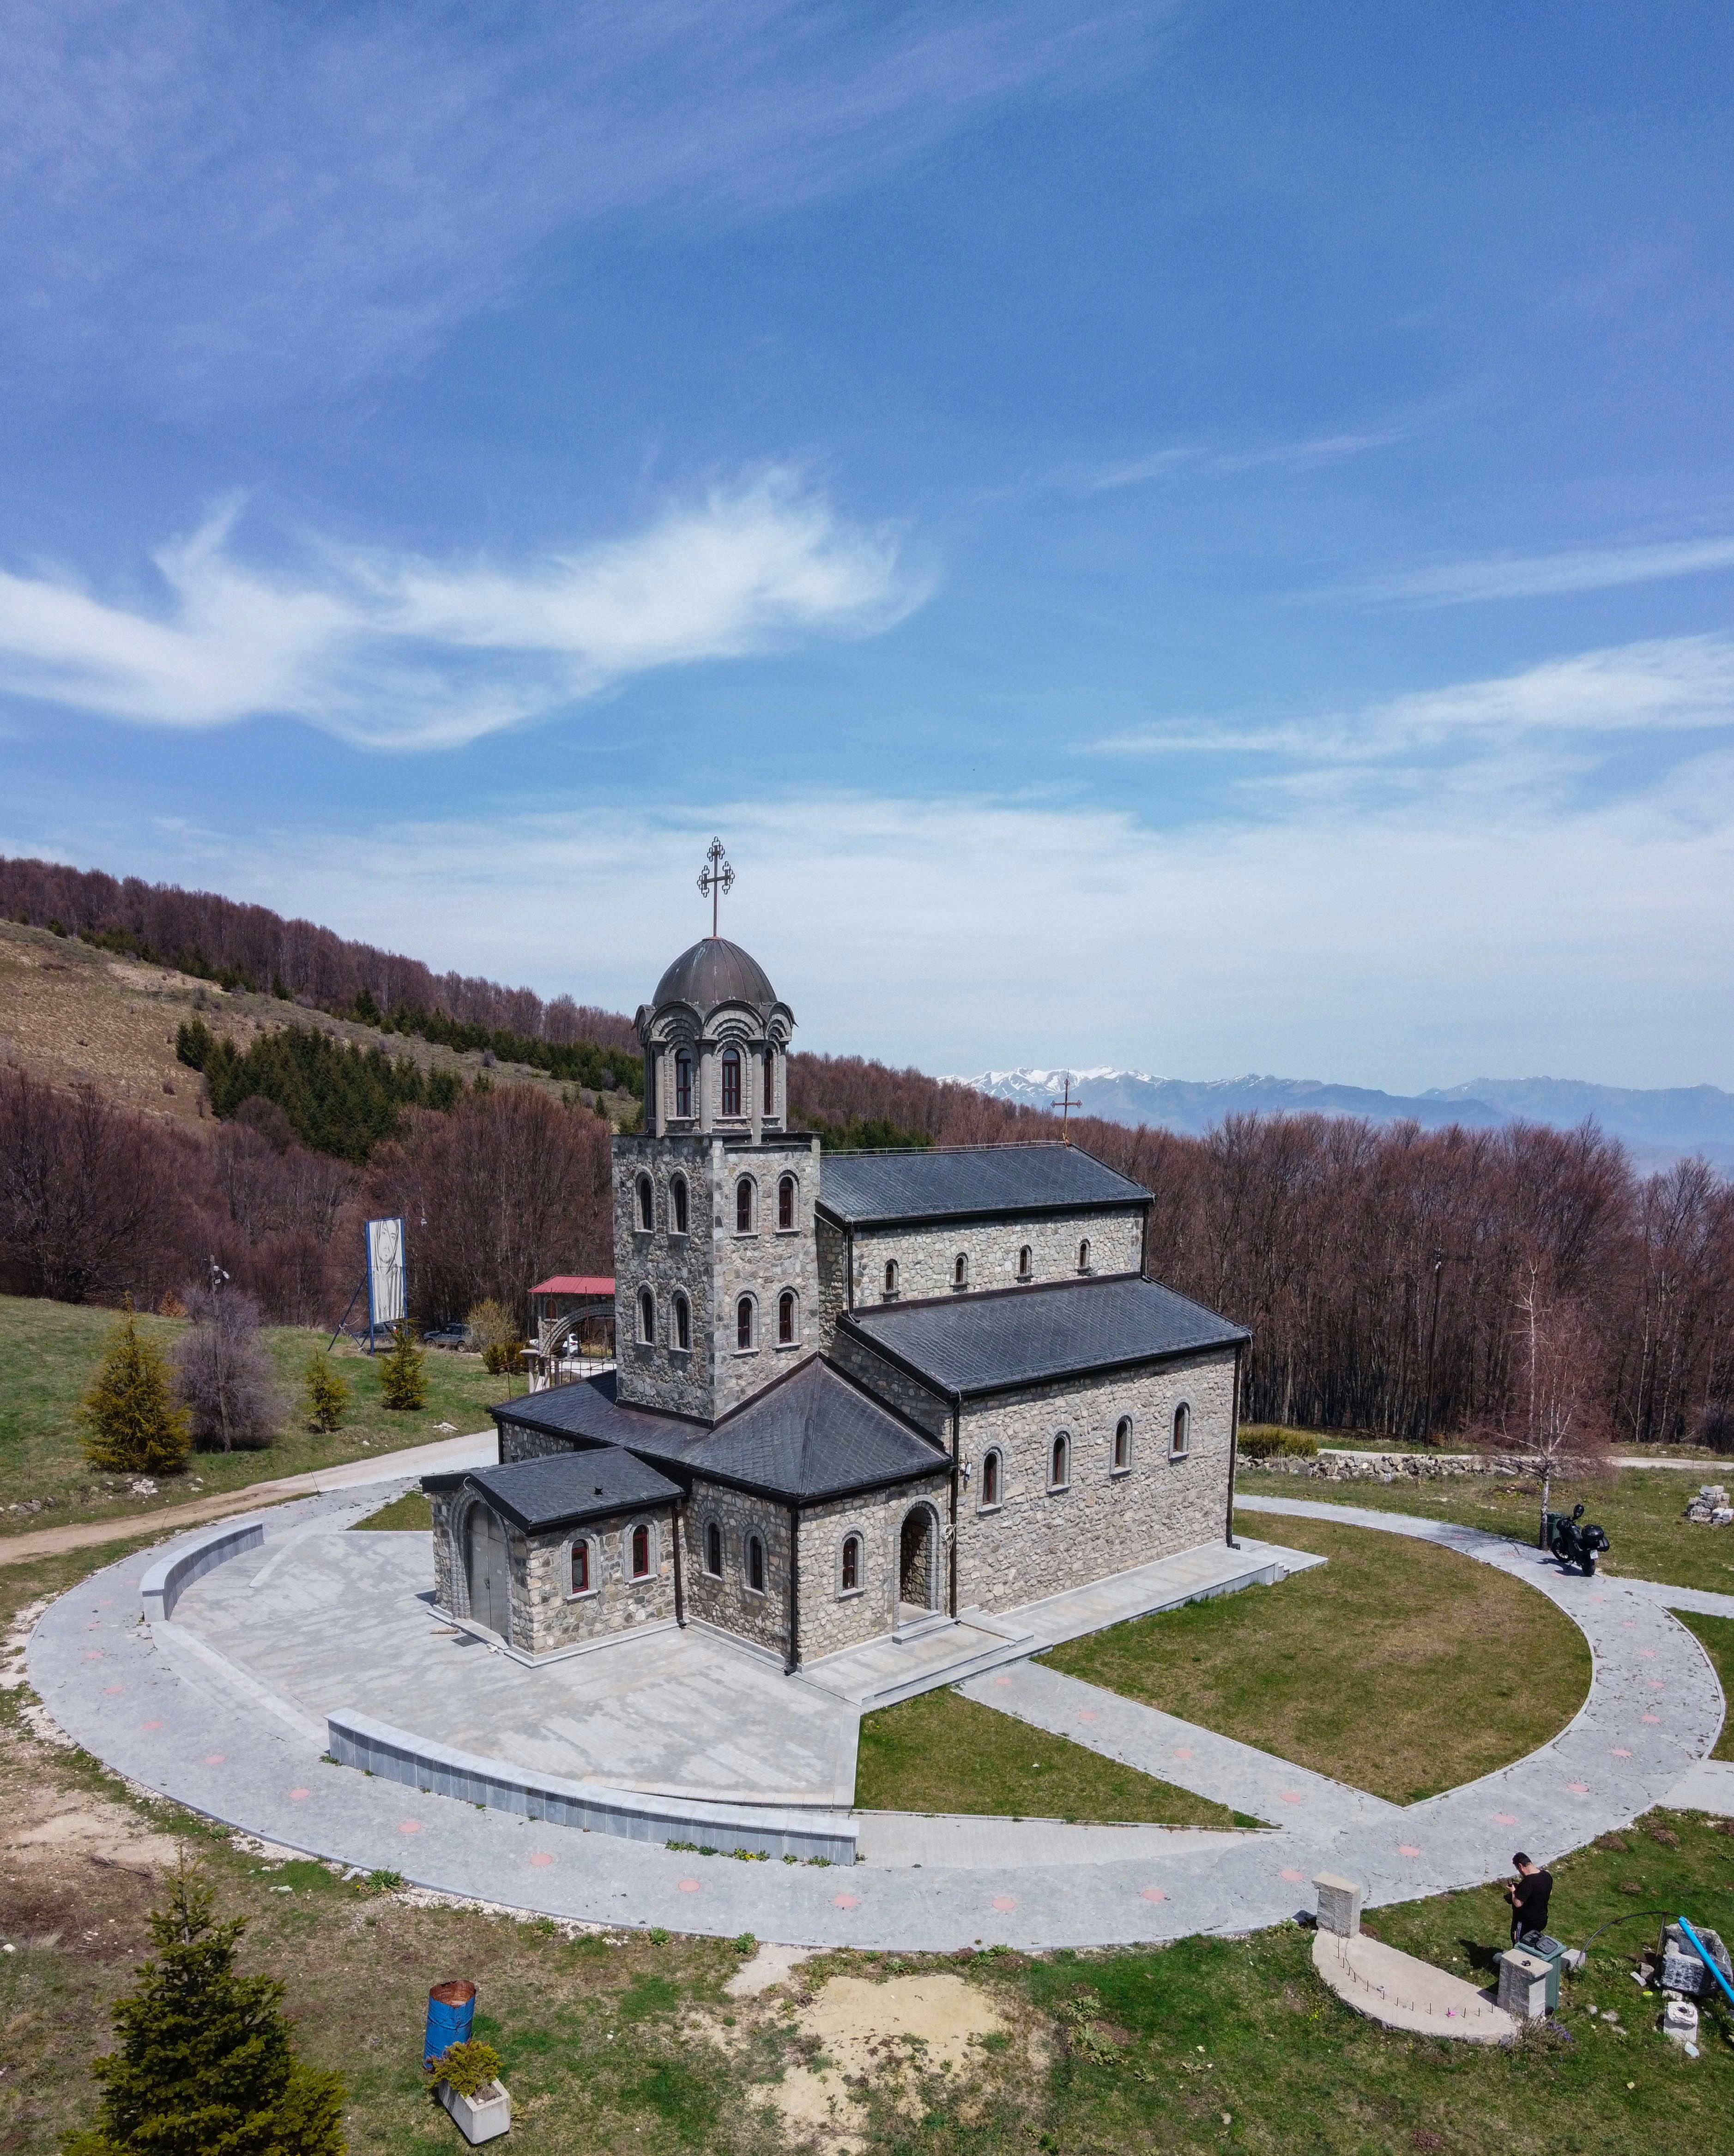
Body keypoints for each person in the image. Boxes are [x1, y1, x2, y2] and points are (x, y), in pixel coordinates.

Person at [1505, 1852, 1553, 1945]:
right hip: (1541, 1919)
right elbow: (1550, 1892)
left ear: (1520, 1866)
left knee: (1520, 1945)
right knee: (1533, 1943)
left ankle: (1517, 1959)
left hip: (1526, 1923)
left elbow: (1518, 1903)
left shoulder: (1528, 1882)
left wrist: (1514, 1891)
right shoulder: (1547, 1876)